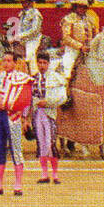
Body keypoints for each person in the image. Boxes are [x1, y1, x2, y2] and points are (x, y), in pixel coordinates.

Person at [0, 53, 33, 196]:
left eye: (9, 61)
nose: (6, 63)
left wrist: (25, 118)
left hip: (13, 117)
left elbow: (27, 100)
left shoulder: (21, 79)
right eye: (4, 61)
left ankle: (18, 185)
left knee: (16, 150)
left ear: (15, 63)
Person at [30, 50, 67, 184]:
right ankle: (44, 174)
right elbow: (29, 98)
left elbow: (63, 97)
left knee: (50, 143)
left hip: (50, 113)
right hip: (37, 114)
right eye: (40, 62)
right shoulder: (33, 78)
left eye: (45, 63)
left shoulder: (56, 78)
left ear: (49, 64)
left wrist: (48, 102)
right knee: (41, 143)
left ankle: (55, 175)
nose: (42, 65)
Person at [58, 0, 98, 80]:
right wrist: (80, 47)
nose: (82, 9)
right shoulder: (69, 19)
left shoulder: (89, 20)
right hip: (73, 48)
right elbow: (66, 37)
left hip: (88, 48)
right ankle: (65, 85)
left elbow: (95, 34)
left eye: (84, 7)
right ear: (75, 7)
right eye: (80, 7)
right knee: (67, 63)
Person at [7, 0, 43, 64]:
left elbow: (34, 30)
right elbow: (20, 27)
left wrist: (19, 36)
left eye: (24, 2)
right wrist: (16, 37)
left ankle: (34, 73)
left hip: (33, 40)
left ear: (30, 3)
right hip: (23, 40)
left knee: (30, 56)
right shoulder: (22, 14)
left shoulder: (36, 14)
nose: (22, 4)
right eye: (22, 2)